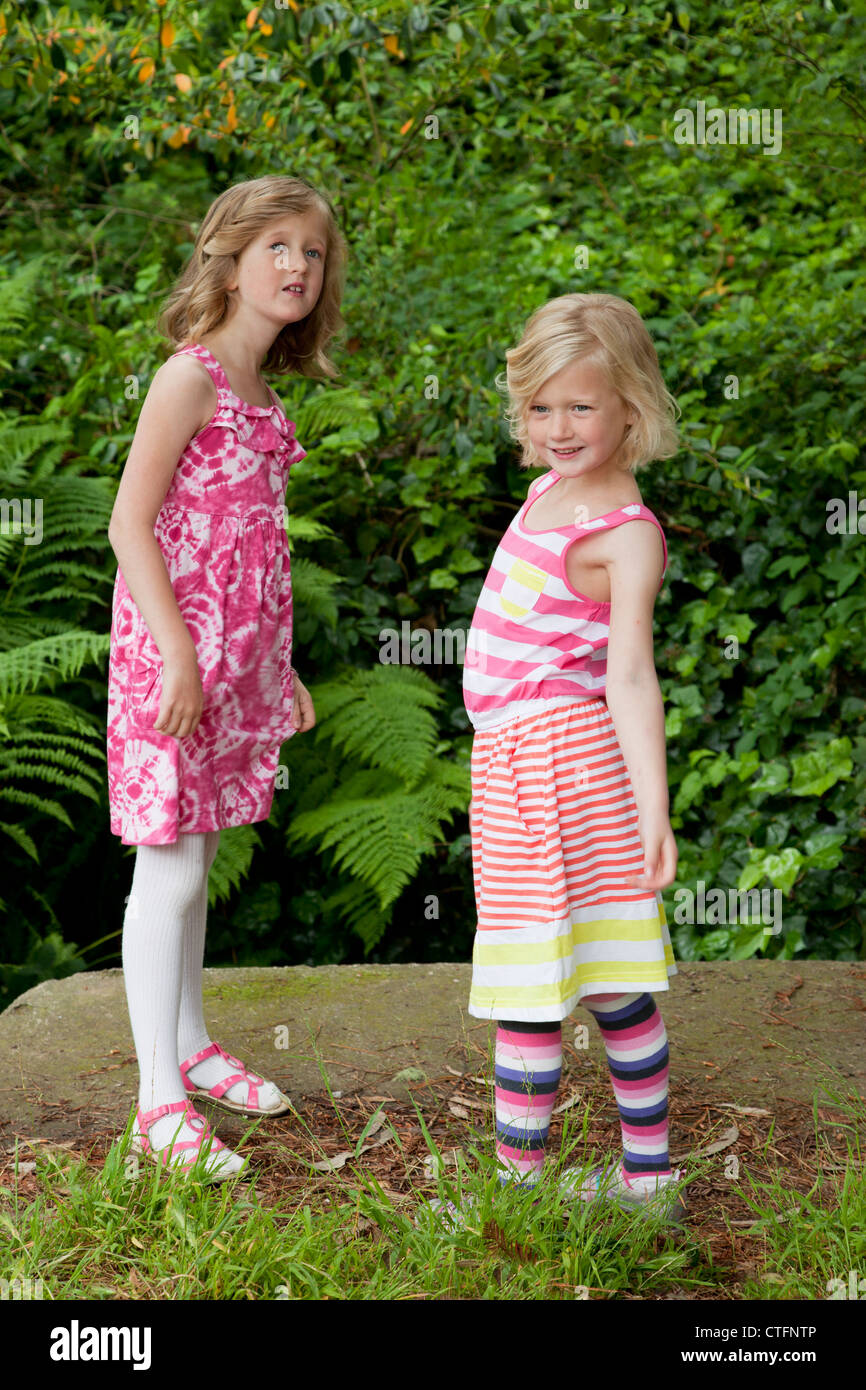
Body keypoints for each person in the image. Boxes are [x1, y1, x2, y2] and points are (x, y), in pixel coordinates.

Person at [429, 292, 687, 1228]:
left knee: (551, 987)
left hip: (559, 774)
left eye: (582, 406)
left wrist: (654, 813)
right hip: (515, 772)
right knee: (593, 973)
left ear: (632, 407)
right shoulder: (548, 492)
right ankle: (637, 1181)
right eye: (542, 408)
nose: (559, 426)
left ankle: (536, 1193)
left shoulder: (624, 534)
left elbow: (630, 680)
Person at [106, 175, 346, 1179]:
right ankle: (156, 1102)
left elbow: (256, 548)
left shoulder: (263, 397)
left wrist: (277, 667)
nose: (296, 265)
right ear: (230, 258)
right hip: (174, 665)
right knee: (165, 864)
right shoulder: (189, 379)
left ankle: (193, 1045)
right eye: (276, 246)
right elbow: (129, 525)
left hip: (236, 668)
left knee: (198, 862)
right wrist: (178, 654)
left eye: (314, 252)